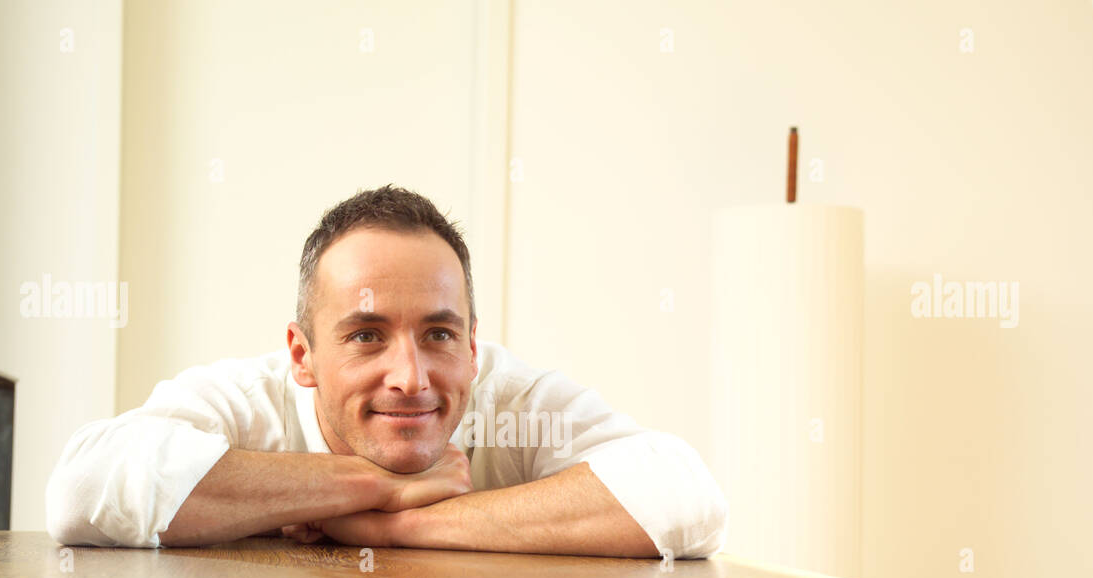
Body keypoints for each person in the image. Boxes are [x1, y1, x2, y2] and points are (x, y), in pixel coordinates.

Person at [45, 185, 727, 558]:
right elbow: (81, 487)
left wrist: (398, 527)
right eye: (367, 336)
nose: (411, 376)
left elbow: (685, 496)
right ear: (302, 355)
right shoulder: (245, 401)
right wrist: (365, 486)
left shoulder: (517, 399)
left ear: (472, 347)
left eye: (437, 334)